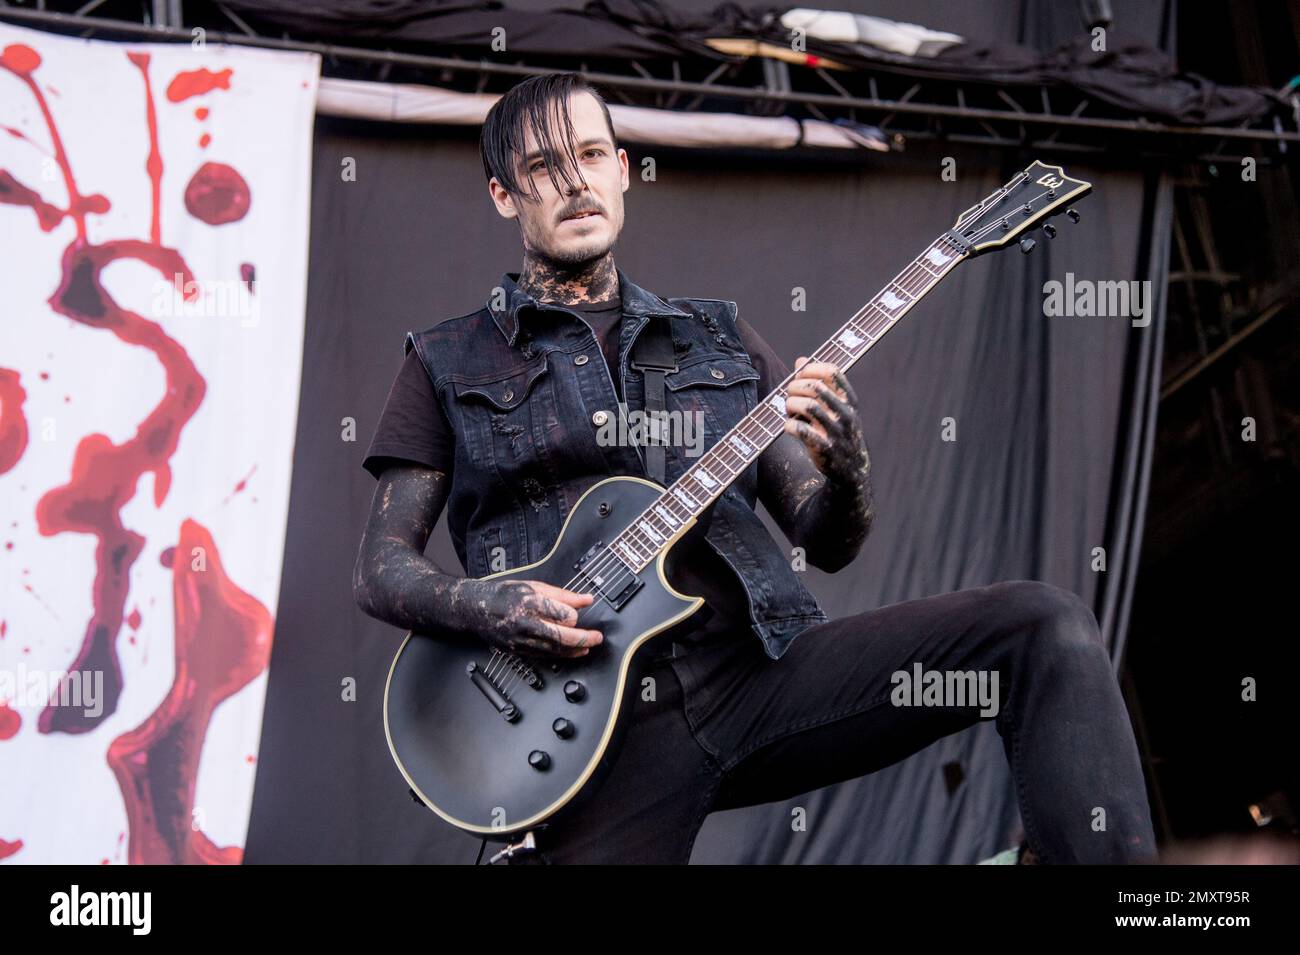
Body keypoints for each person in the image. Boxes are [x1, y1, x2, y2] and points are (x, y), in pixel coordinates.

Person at [353, 72, 1158, 865]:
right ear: (504, 196)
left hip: (757, 680)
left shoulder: (718, 335)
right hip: (595, 739)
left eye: (592, 155)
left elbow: (824, 532)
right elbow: (381, 567)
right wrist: (490, 603)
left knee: (1042, 627)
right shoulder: (446, 359)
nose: (575, 183)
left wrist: (848, 472)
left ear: (624, 170)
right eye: (542, 168)